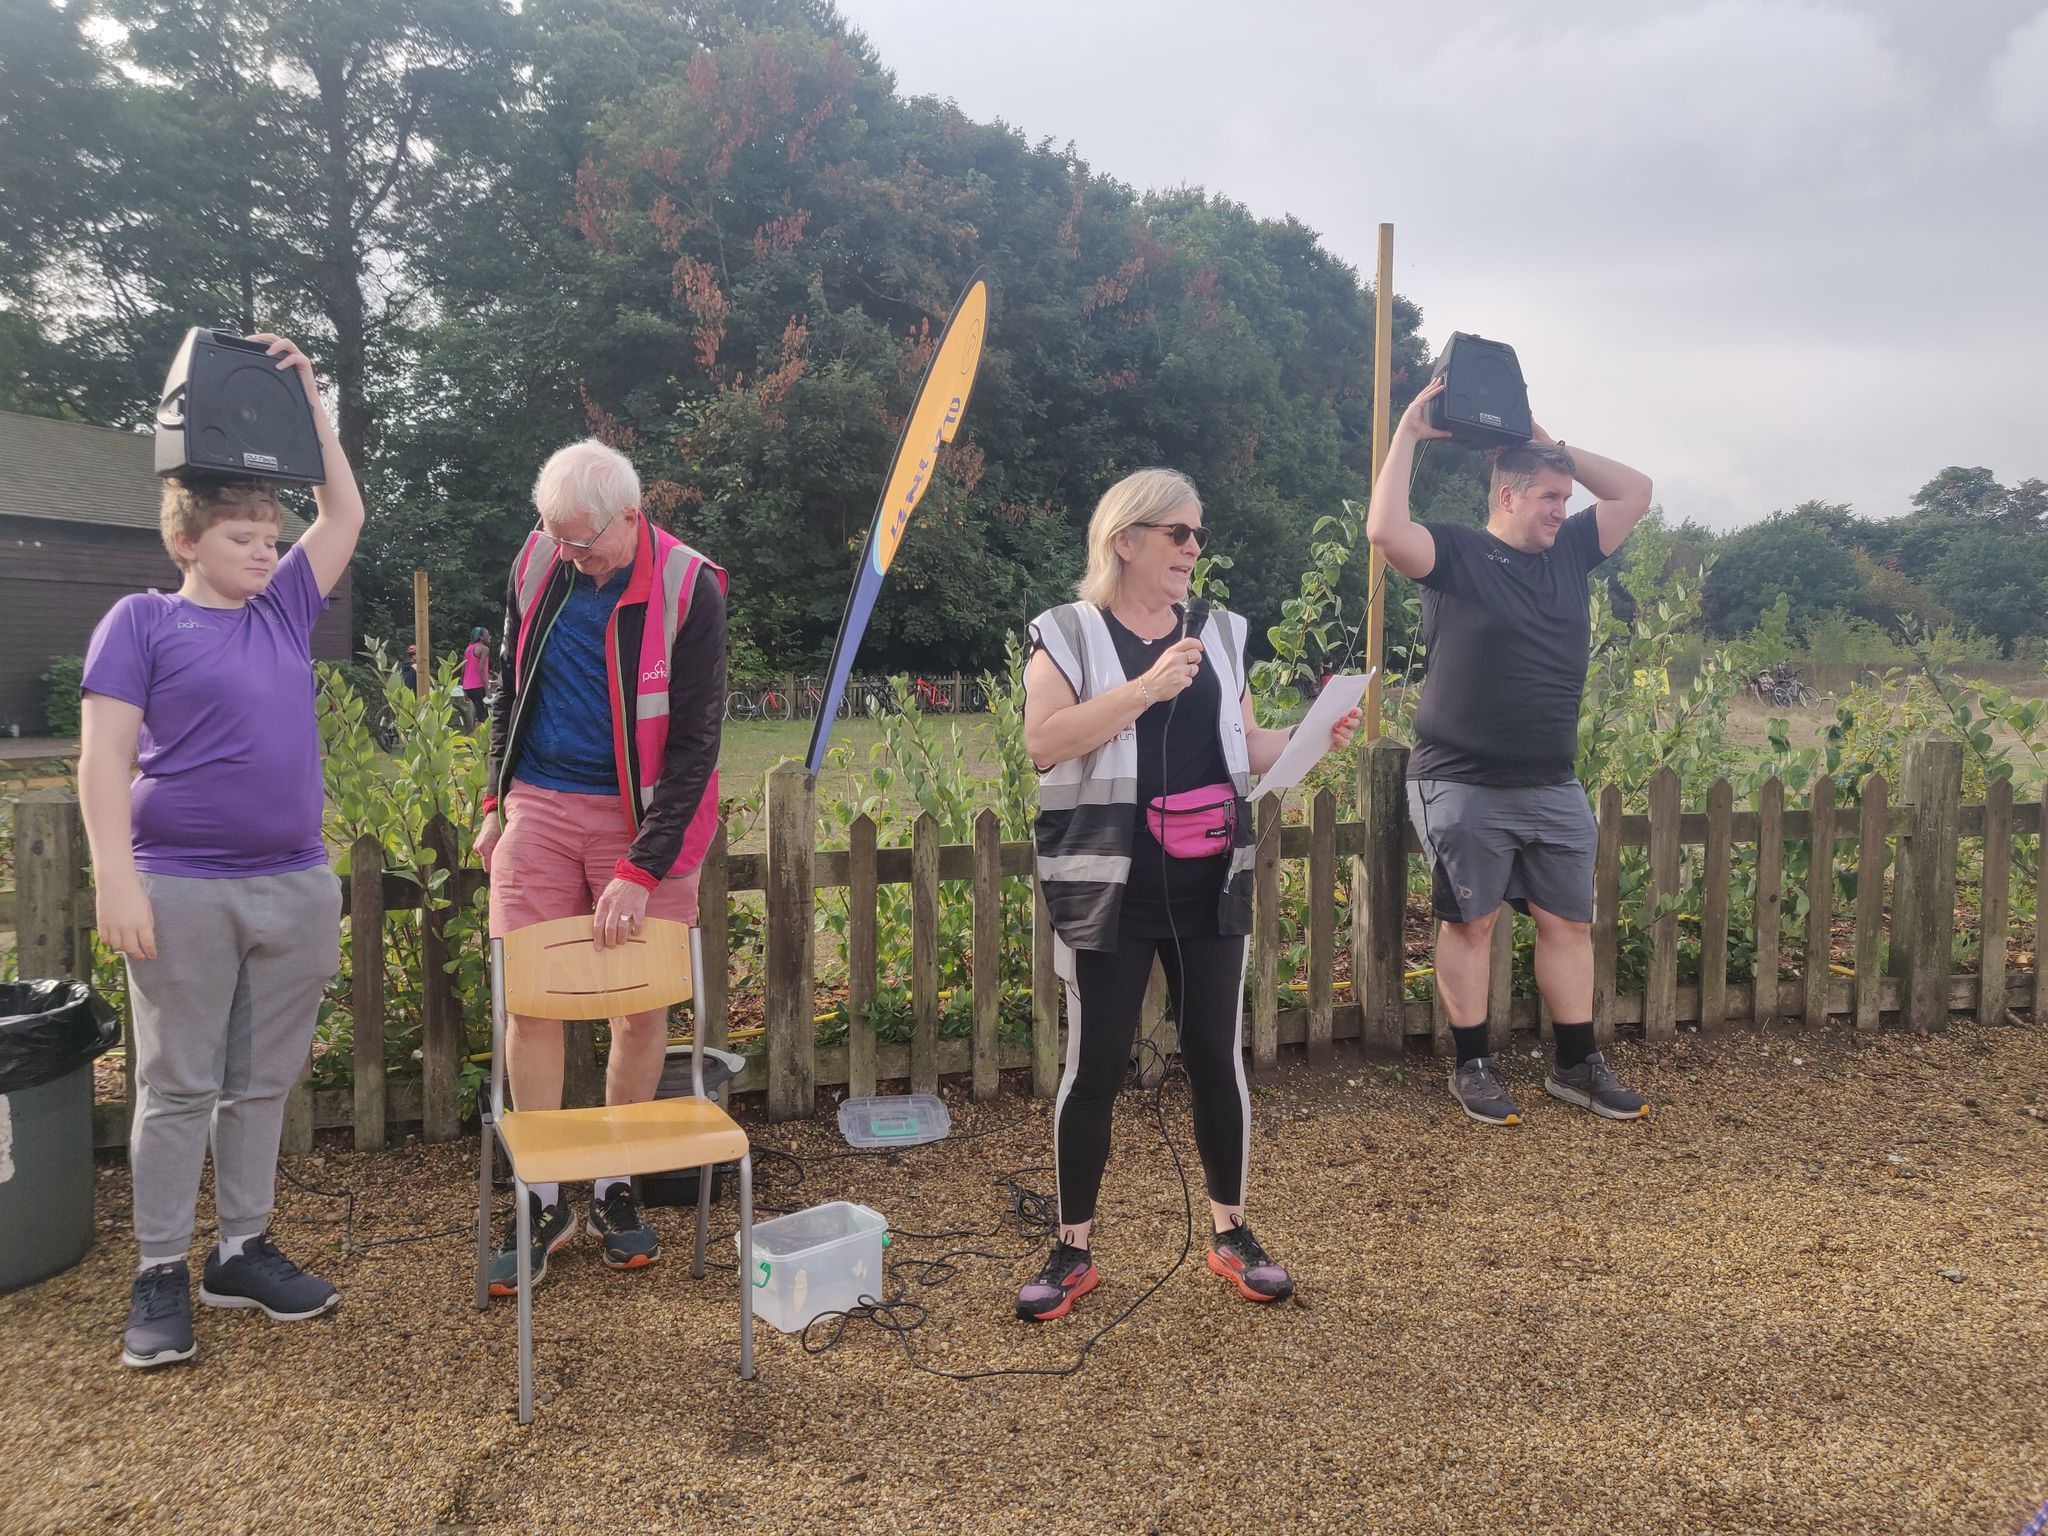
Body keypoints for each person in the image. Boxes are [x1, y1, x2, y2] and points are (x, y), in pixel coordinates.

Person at [78, 334, 364, 1369]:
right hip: (181, 892)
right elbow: (103, 759)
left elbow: (346, 515)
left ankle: (239, 1251)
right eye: (243, 535)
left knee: (262, 1085)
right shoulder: (141, 624)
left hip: (292, 887)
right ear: (189, 542)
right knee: (178, 1084)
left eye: (268, 533)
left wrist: (309, 401)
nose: (265, 548)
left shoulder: (286, 611)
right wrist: (117, 877)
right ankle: (160, 1269)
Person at [1018, 468, 1361, 1320]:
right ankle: (1072, 1249)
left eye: (1199, 535)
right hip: (1108, 884)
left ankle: (1232, 1233)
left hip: (1210, 877)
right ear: (1124, 540)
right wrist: (1144, 689)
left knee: (1215, 1054)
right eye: (1180, 533)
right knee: (1094, 1067)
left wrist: (1311, 736)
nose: (1194, 550)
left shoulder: (1222, 632)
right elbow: (1044, 744)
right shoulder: (1065, 633)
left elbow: (1243, 745)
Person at [1366, 376, 1655, 1126]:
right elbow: (1385, 533)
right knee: (1473, 923)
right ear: (1507, 499)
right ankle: (1472, 1065)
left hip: (1552, 781)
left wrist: (1548, 442)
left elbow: (1636, 491)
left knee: (1568, 922)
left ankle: (1574, 1063)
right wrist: (1405, 437)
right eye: (1549, 498)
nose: (1564, 511)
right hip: (1461, 780)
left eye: (1565, 499)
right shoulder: (1458, 554)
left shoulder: (1571, 555)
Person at [476, 438, 726, 1293]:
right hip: (540, 805)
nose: (570, 557)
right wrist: (492, 802)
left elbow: (695, 747)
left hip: (646, 816)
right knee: (531, 1002)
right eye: (556, 539)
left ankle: (618, 1184)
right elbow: (507, 691)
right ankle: (543, 1197)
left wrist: (642, 868)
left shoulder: (693, 586)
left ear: (632, 515)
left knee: (641, 1008)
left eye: (583, 542)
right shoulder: (541, 558)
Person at [461, 626, 491, 724]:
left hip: (468, 687)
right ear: (481, 637)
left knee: (478, 714)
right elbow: (481, 669)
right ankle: (478, 738)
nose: (490, 637)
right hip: (478, 686)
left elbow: (463, 669)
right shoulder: (484, 649)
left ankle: (476, 735)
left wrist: (464, 689)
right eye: (487, 635)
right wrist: (487, 690)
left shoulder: (468, 649)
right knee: (483, 718)